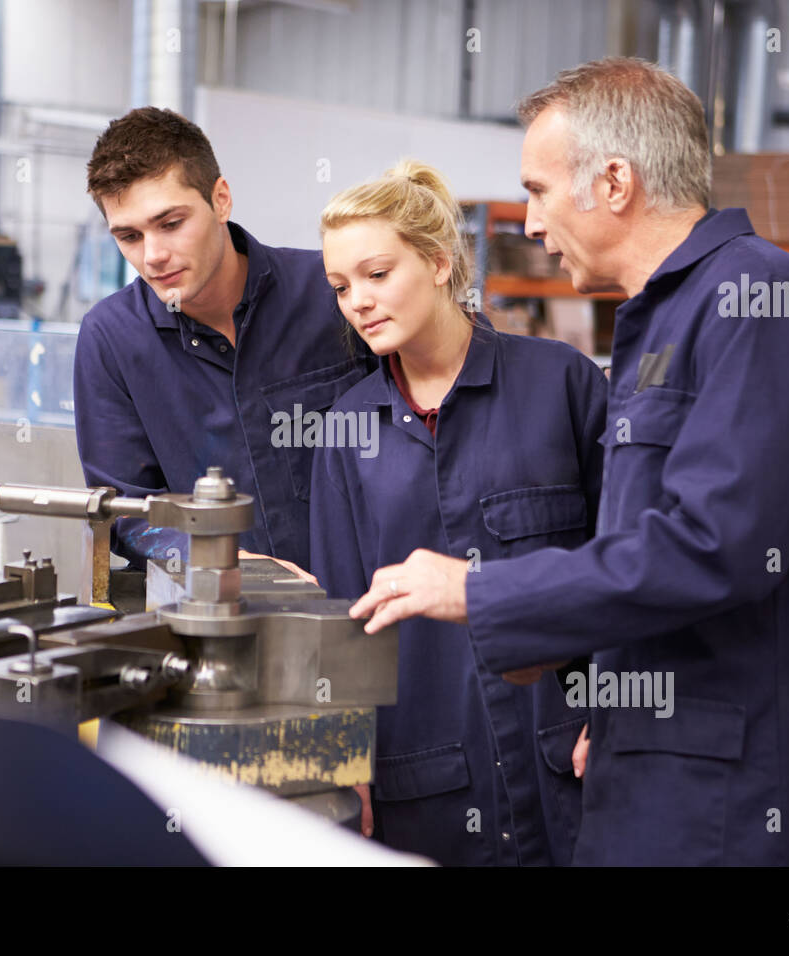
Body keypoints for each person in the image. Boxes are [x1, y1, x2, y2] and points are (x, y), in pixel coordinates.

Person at [349, 58, 789, 866]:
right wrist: (580, 671)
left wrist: (480, 589)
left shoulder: (763, 302)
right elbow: (642, 558)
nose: (529, 223)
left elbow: (713, 547)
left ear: (615, 183)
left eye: (539, 191)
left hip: (736, 804)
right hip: (652, 775)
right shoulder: (661, 320)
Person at [310, 159, 607, 865]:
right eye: (341, 286)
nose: (358, 300)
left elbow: (629, 561)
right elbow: (340, 617)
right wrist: (343, 764)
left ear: (439, 262)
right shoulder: (346, 432)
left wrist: (616, 709)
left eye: (377, 274)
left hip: (571, 761)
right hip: (427, 780)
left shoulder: (559, 383)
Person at [74, 107, 371, 577]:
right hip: (216, 618)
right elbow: (124, 511)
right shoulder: (110, 339)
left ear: (221, 200)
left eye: (171, 223)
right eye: (129, 236)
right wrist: (219, 561)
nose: (153, 256)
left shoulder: (331, 293)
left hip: (365, 606)